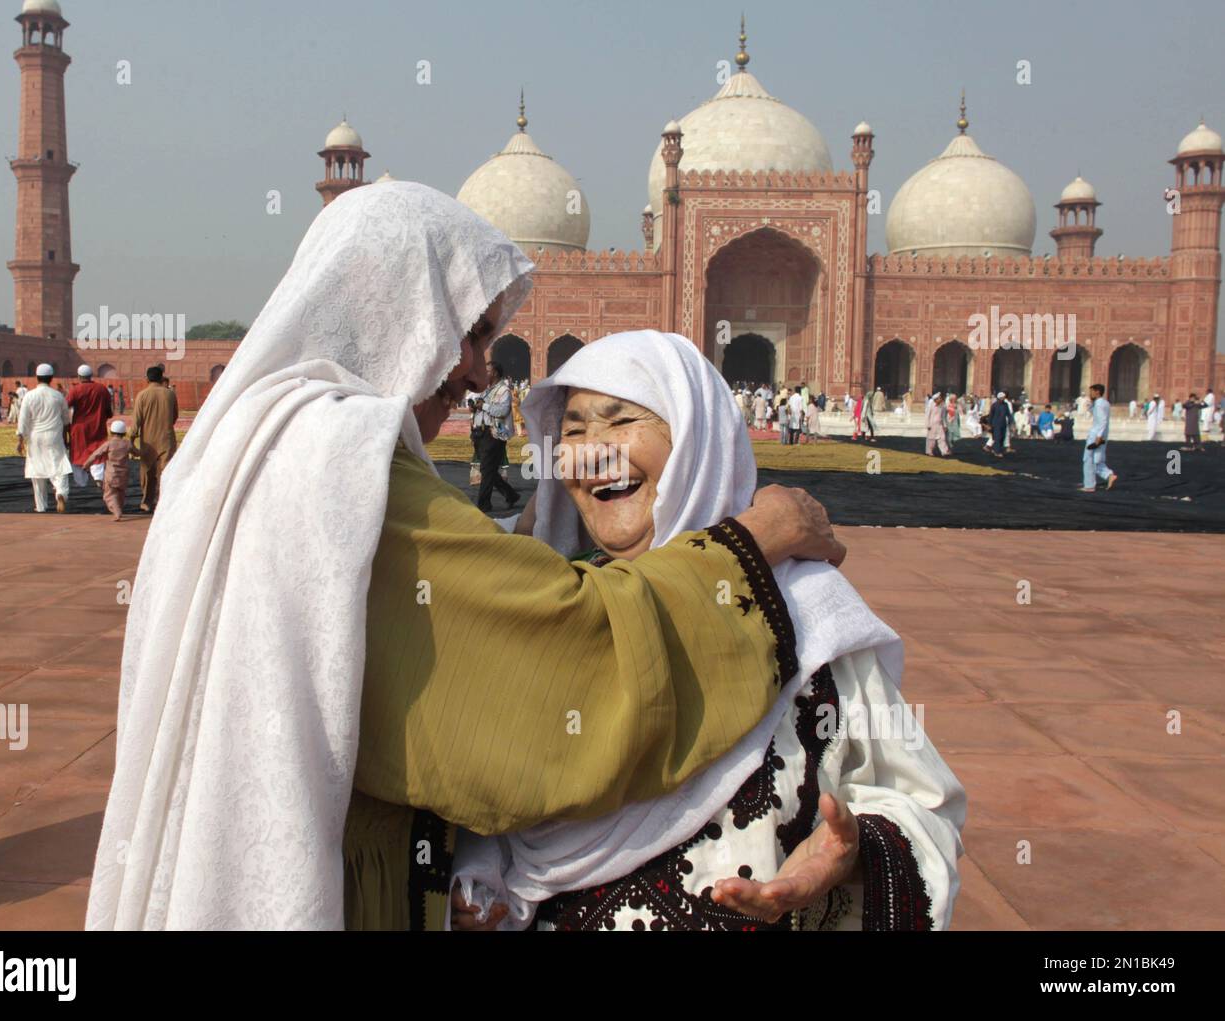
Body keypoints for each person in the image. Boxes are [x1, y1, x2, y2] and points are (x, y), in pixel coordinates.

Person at [84, 182, 846, 931]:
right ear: (403, 314)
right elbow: (571, 667)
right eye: (473, 334)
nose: (482, 370)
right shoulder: (344, 468)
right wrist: (756, 539)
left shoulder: (252, 441)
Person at [452, 332, 964, 931]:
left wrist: (851, 855)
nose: (591, 452)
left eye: (619, 421)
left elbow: (923, 805)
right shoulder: (553, 606)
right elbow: (481, 793)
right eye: (573, 430)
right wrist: (481, 876)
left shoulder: (808, 615)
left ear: (695, 439)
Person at [16, 363, 73, 513]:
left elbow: (23, 420)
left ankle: (41, 506)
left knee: (37, 470)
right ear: (51, 378)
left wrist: (20, 440)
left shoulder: (29, 396)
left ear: (37, 377)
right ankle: (61, 493)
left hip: (35, 437)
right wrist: (67, 438)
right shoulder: (58, 396)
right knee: (58, 466)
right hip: (54, 436)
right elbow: (66, 420)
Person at [130, 365, 179, 512]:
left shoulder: (142, 395)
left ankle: (147, 501)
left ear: (147, 378)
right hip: (167, 439)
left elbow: (137, 420)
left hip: (148, 441)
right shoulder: (170, 394)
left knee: (147, 472)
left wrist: (132, 440)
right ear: (161, 377)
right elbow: (174, 416)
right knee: (166, 472)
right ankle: (164, 501)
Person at [475, 360, 519, 511]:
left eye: (487, 371)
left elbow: (502, 411)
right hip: (482, 433)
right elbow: (484, 409)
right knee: (488, 470)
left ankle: (484, 504)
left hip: (495, 433)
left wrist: (484, 406)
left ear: (494, 373)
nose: (484, 374)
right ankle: (511, 494)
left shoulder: (504, 391)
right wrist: (476, 407)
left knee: (487, 470)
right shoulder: (488, 390)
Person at [67, 364, 113, 489]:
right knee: (98, 451)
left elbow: (66, 405)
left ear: (79, 376)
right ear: (90, 375)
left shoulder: (75, 390)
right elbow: (108, 409)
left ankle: (81, 482)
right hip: (97, 426)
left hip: (79, 428)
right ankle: (98, 478)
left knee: (78, 453)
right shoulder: (101, 389)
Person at [83, 420, 139, 520]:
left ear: (111, 432)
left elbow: (95, 455)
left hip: (111, 475)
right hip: (124, 475)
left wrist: (86, 465)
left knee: (109, 495)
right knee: (120, 494)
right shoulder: (127, 444)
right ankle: (119, 509)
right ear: (124, 433)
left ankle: (117, 512)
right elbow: (136, 453)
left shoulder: (108, 444)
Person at [1082, 382, 1117, 493]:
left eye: (1091, 391)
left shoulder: (1100, 404)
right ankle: (1109, 475)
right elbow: (1098, 416)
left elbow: (1102, 421)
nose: (1090, 394)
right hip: (1101, 434)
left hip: (1096, 434)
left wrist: (1098, 436)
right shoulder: (1104, 403)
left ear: (1097, 391)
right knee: (1097, 459)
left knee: (1088, 459)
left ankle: (1089, 485)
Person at [924, 389, 949, 456]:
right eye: (939, 398)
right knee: (931, 439)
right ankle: (929, 451)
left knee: (942, 438)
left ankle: (944, 451)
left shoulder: (943, 405)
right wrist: (927, 424)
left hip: (940, 424)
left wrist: (945, 425)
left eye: (941, 398)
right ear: (936, 399)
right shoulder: (931, 404)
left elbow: (944, 417)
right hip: (932, 425)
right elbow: (927, 415)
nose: (940, 400)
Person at [988, 391, 1011, 457]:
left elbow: (1008, 414)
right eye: (1002, 398)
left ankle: (996, 449)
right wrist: (989, 425)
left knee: (1002, 438)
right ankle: (997, 452)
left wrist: (1011, 422)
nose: (1003, 399)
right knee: (997, 438)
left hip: (1003, 424)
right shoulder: (994, 405)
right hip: (996, 424)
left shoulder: (1005, 405)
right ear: (999, 398)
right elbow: (991, 415)